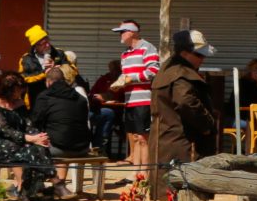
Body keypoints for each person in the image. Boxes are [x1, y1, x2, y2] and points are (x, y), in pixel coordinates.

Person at [0, 72, 63, 201]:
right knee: (28, 150)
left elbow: (28, 125)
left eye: (21, 89)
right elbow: (6, 131)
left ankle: (25, 196)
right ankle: (55, 181)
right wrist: (31, 139)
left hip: (19, 143)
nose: (20, 93)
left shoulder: (19, 103)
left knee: (39, 149)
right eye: (17, 90)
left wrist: (39, 137)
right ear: (7, 89)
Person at [151, 29, 220, 170]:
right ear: (184, 53)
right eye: (199, 54)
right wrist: (207, 125)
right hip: (183, 145)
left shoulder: (167, 70)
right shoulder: (181, 74)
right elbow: (185, 102)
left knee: (165, 187)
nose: (203, 58)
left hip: (165, 142)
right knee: (183, 188)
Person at [114, 20, 160, 167]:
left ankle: (144, 175)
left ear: (132, 32)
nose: (120, 35)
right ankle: (136, 174)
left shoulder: (147, 47)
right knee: (134, 138)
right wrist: (119, 84)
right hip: (130, 101)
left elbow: (153, 71)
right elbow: (125, 77)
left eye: (122, 32)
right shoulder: (125, 54)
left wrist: (129, 79)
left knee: (142, 138)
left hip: (144, 100)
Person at [31, 66, 93, 159]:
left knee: (28, 147)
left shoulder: (45, 97)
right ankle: (59, 174)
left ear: (48, 82)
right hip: (83, 148)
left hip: (58, 148)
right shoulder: (80, 98)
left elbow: (35, 122)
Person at [18, 25, 67, 109]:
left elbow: (73, 72)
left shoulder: (59, 53)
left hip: (59, 100)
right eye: (43, 44)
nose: (47, 45)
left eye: (47, 41)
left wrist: (57, 69)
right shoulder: (26, 59)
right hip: (36, 101)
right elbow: (22, 79)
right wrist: (44, 74)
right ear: (35, 46)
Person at [89, 58, 125, 160]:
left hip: (117, 111)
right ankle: (95, 146)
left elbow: (122, 96)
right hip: (98, 109)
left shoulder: (123, 80)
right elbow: (92, 93)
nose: (114, 72)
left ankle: (100, 147)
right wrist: (98, 97)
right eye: (112, 70)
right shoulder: (104, 79)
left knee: (110, 116)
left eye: (117, 70)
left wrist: (108, 97)